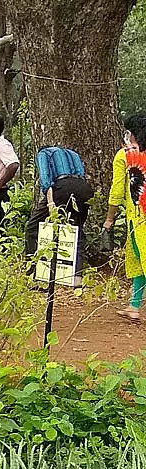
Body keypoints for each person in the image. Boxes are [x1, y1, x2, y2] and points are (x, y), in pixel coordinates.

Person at [102, 115, 146, 322]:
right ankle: (134, 306)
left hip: (139, 219)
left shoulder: (124, 156)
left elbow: (117, 190)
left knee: (142, 259)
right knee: (139, 263)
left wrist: (110, 219)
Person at [24, 146, 93, 264]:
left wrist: (51, 204)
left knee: (32, 228)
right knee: (76, 230)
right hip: (84, 188)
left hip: (63, 187)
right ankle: (77, 276)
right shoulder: (72, 153)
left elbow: (46, 180)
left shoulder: (43, 153)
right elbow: (81, 174)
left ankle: (32, 268)